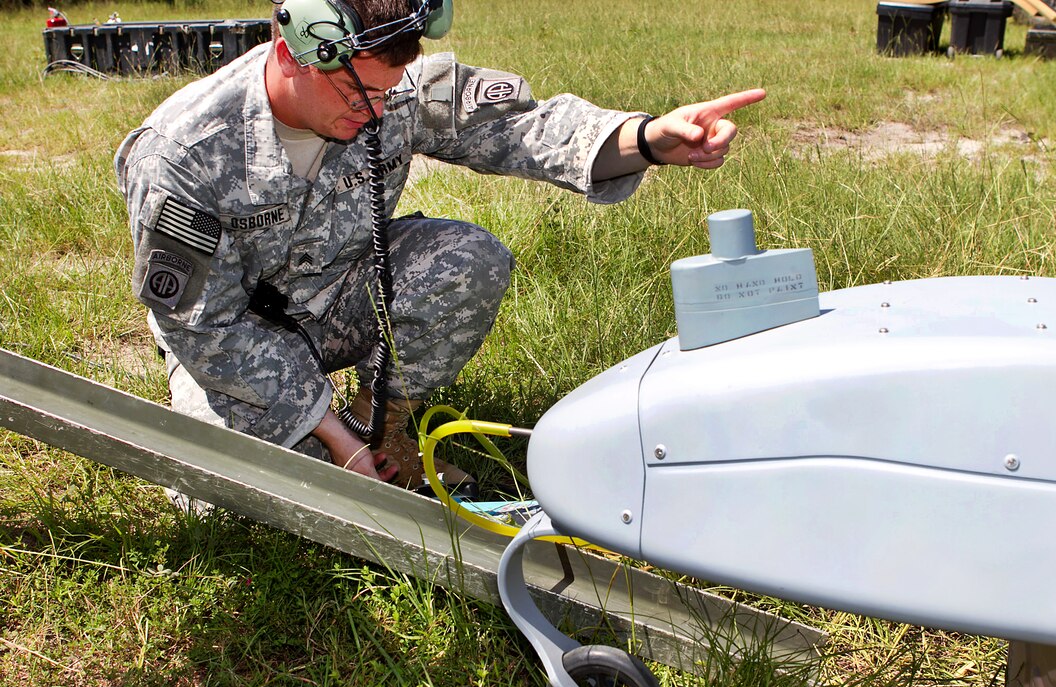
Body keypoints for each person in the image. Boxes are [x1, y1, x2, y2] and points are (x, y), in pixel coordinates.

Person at [114, 0, 765, 503]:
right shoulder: (183, 152)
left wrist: (649, 138)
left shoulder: (394, 87)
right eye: (353, 93)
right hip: (236, 337)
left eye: (385, 90)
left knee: (468, 258)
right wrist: (332, 440)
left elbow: (521, 125)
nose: (374, 112)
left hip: (339, 296)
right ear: (291, 52)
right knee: (222, 495)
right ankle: (345, 443)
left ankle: (385, 427)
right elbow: (204, 324)